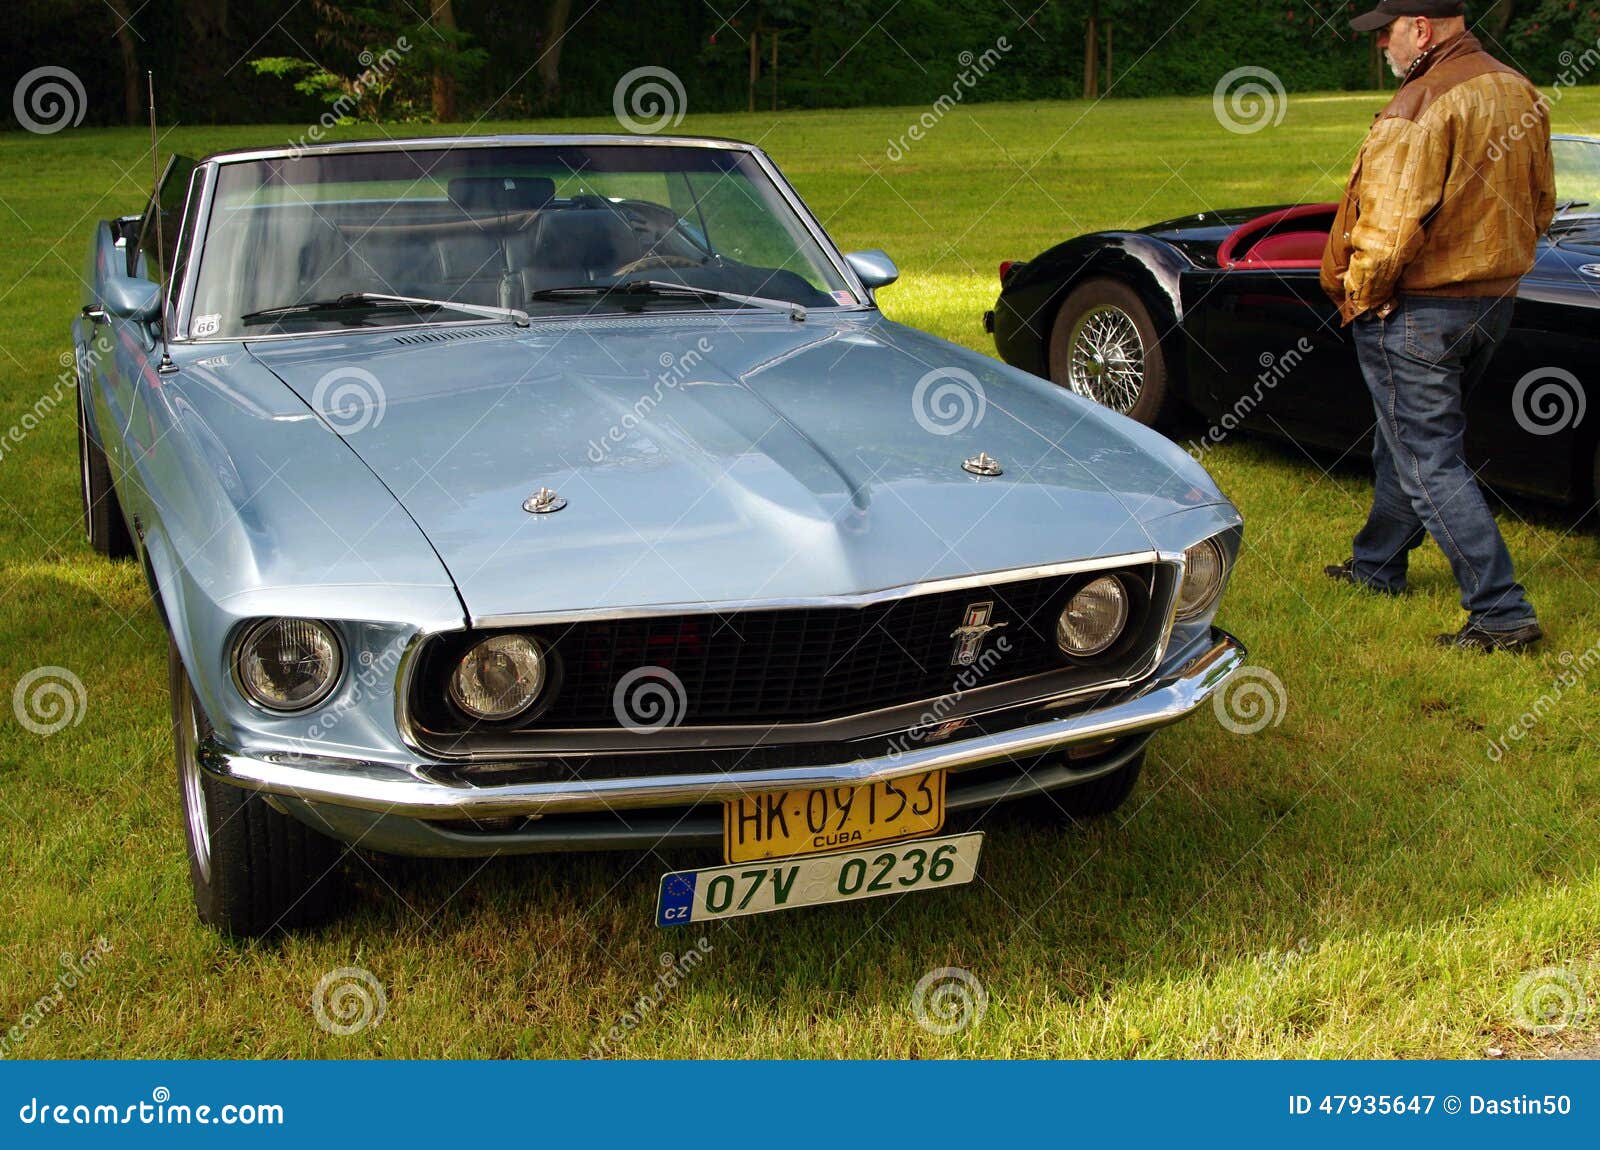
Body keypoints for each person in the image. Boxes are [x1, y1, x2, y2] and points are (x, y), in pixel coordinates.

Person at [1321, 0, 1555, 653]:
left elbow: (1388, 226)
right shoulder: (1519, 90)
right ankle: (1377, 567)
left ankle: (1501, 612)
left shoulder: (1420, 103)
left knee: (1429, 460)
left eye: (1387, 33)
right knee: (1406, 441)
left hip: (1419, 308)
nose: (1381, 47)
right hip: (1491, 302)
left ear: (1420, 30)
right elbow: (1541, 207)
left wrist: (1362, 298)